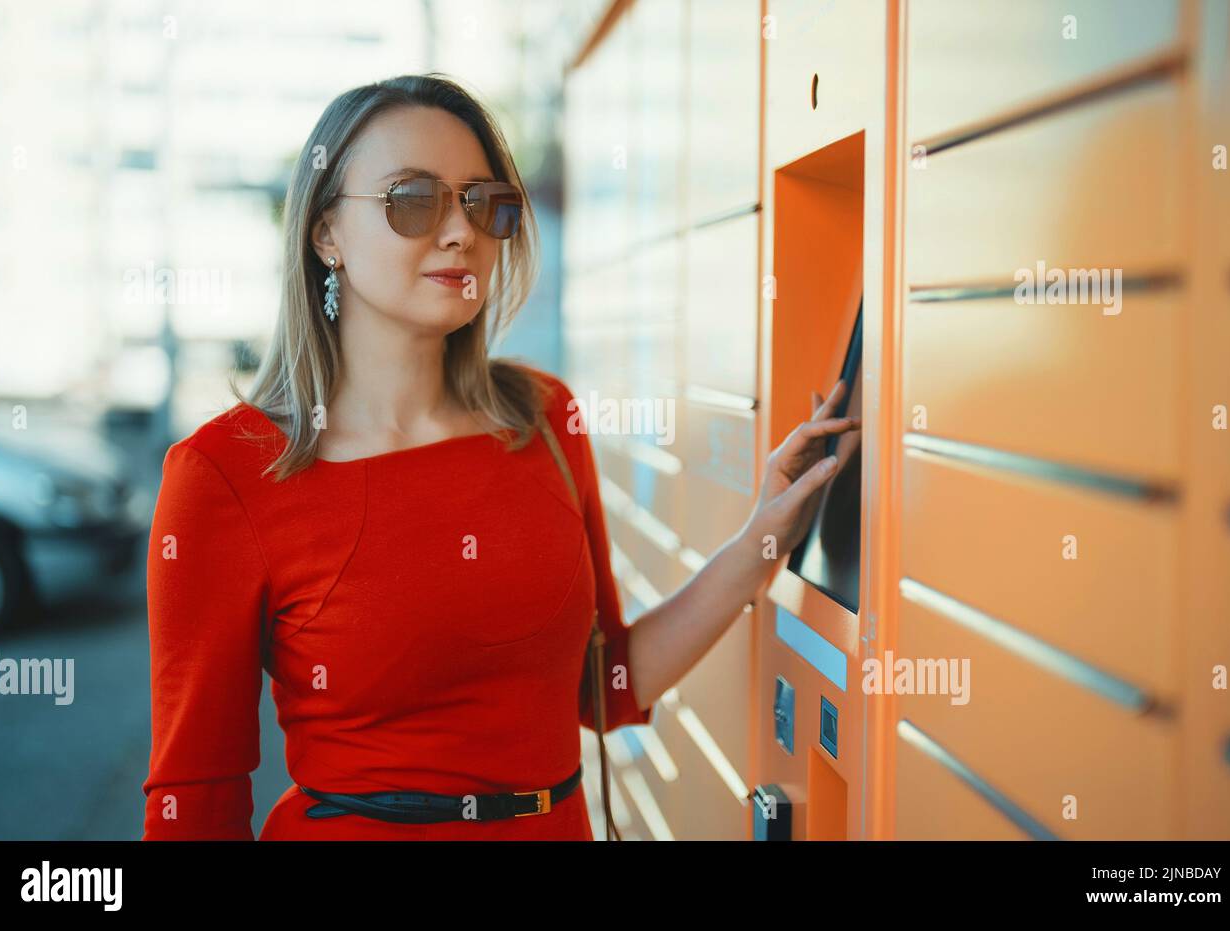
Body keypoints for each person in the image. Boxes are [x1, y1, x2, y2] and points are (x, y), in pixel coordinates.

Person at [141, 73, 860, 840]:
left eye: (485, 203)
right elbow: (196, 792)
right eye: (412, 200)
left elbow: (605, 683)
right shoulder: (225, 474)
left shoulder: (543, 418)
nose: (461, 232)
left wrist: (765, 536)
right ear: (326, 235)